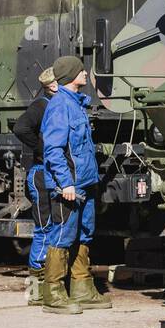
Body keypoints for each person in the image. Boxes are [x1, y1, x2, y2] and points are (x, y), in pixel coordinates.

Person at [39, 55, 111, 314]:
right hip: (69, 187)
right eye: (81, 70)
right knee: (62, 234)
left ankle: (82, 288)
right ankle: (53, 294)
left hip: (86, 183)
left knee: (84, 233)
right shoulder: (60, 106)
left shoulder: (77, 103)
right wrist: (65, 183)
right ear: (71, 76)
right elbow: (54, 150)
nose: (85, 73)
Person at [12, 66, 57, 306]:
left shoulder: (56, 104)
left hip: (49, 172)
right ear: (52, 85)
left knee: (52, 226)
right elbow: (20, 128)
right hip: (39, 173)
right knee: (44, 227)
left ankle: (49, 283)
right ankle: (36, 288)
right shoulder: (41, 105)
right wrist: (42, 148)